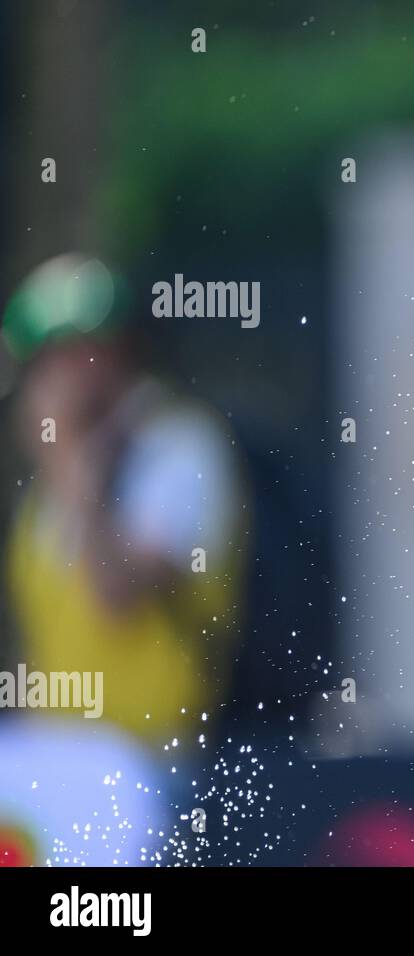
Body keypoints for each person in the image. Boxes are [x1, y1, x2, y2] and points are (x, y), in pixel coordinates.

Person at [2, 253, 246, 744]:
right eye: (47, 361)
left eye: (77, 353)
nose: (59, 380)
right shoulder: (49, 483)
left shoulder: (179, 449)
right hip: (58, 768)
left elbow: (117, 595)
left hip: (155, 766)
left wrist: (70, 462)